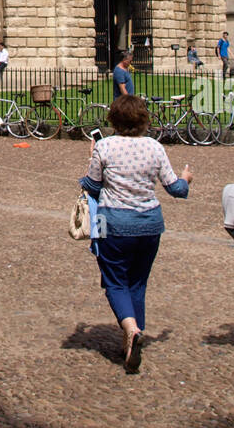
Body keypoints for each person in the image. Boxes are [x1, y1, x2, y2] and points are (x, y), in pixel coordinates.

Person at [80, 94, 191, 372]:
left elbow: (91, 187)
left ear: (114, 120)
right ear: (143, 120)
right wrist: (186, 179)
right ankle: (131, 340)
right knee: (137, 284)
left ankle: (131, 330)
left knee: (114, 281)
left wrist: (92, 157)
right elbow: (176, 189)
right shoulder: (154, 147)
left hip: (112, 224)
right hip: (150, 225)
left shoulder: (104, 147)